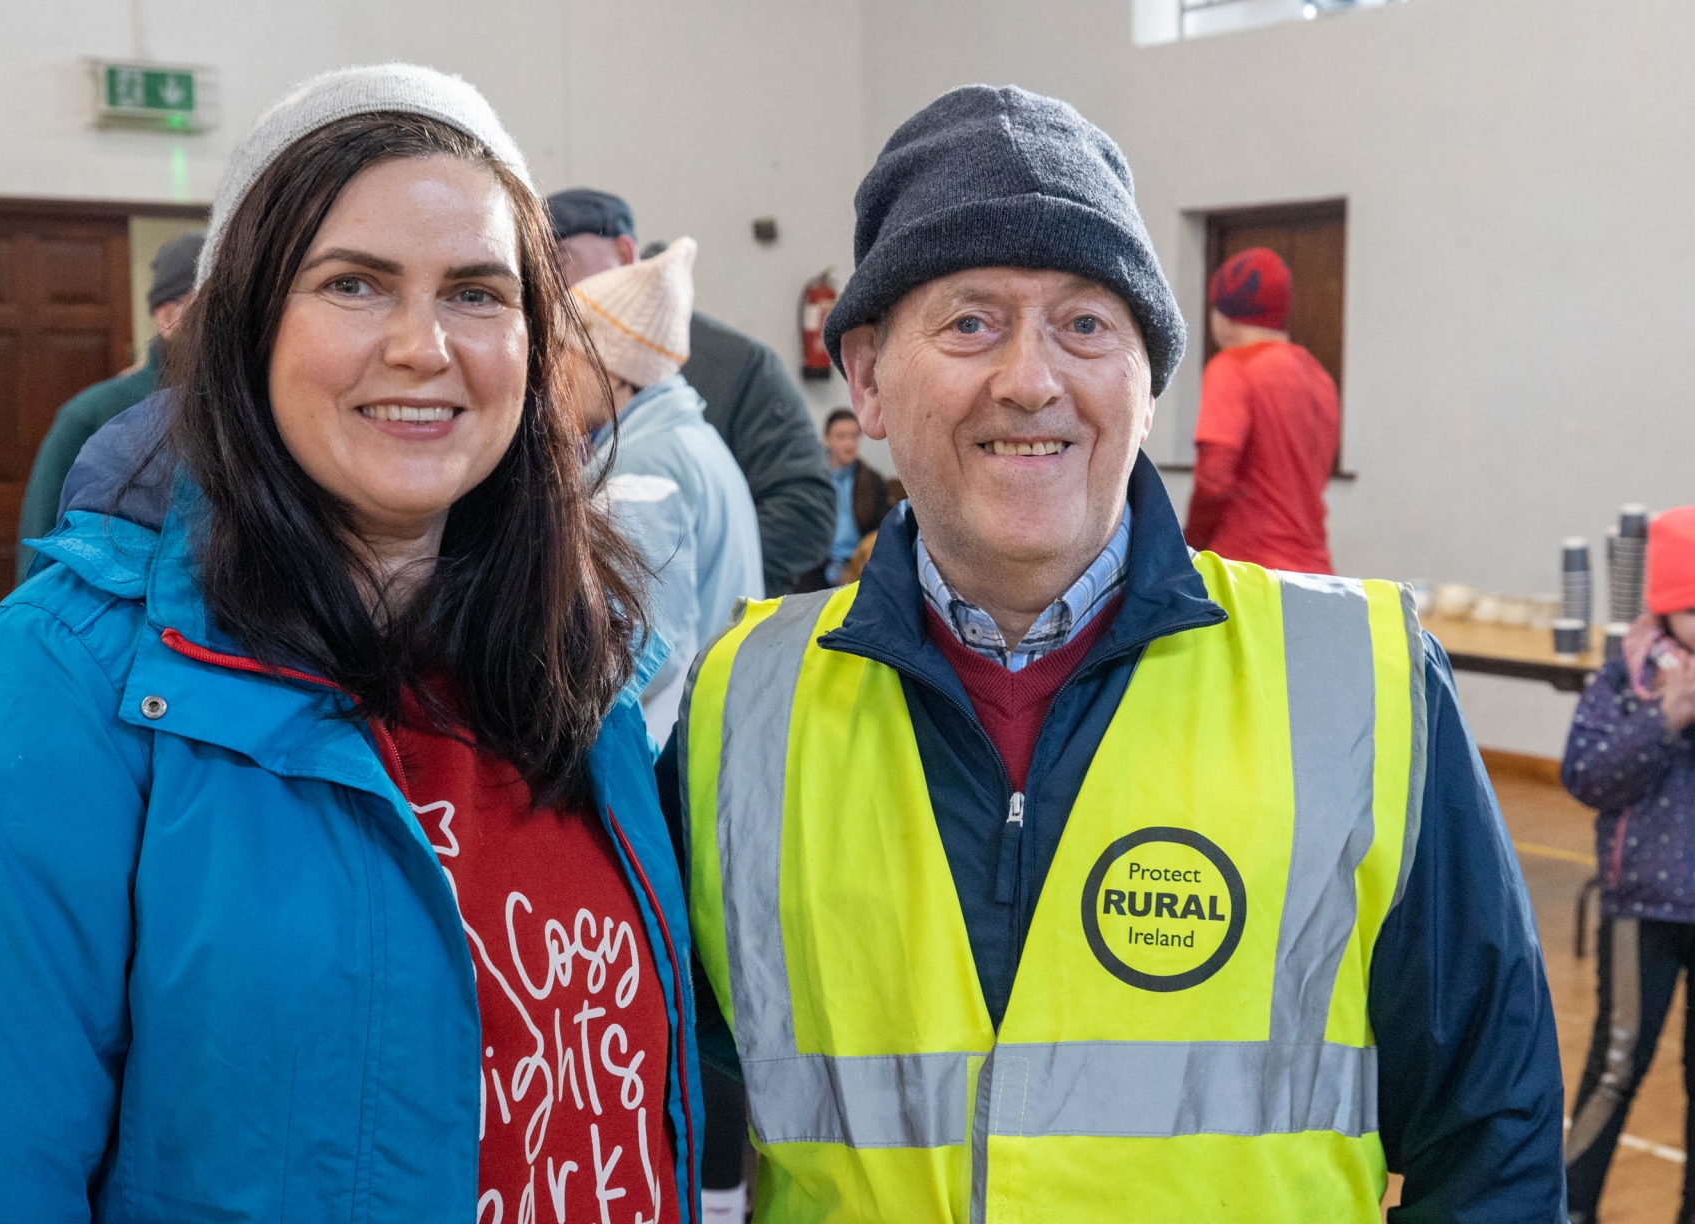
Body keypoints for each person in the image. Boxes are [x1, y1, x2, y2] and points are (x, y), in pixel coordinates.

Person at [663, 85, 1562, 1221]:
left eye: (1086, 324)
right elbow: (649, 1094)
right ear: (868, 379)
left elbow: (1494, 1133)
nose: (1031, 379)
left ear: (1149, 384)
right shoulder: (742, 707)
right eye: (970, 322)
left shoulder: (1365, 686)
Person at [0, 65, 701, 1221]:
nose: (423, 344)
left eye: (478, 292)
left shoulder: (578, 664)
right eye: (354, 284)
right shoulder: (45, 696)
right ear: (244, 326)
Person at [548, 187, 834, 596]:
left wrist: (712, 589)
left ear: (625, 254)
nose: (545, 282)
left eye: (559, 260)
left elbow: (804, 508)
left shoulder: (735, 365)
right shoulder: (545, 366)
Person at [570, 236, 763, 742]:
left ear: (612, 367)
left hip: (669, 750)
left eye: (565, 353)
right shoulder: (688, 440)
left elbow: (638, 654)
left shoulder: (643, 468)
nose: (550, 373)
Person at [1562, 505, 1695, 1224]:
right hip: (1642, 907)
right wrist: (1662, 719)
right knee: (1616, 1068)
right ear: (1667, 608)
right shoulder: (1627, 680)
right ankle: (1568, 1207)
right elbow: (1587, 776)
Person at [14, 231, 202, 578]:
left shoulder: (253, 413)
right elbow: (38, 559)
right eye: (211, 304)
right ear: (167, 317)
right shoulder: (92, 415)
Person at [1183, 246, 1341, 573]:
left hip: (1246, 571)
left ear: (1224, 315)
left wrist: (1189, 546)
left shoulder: (1231, 367)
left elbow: (1213, 478)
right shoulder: (1320, 378)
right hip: (1314, 571)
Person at [809, 407, 890, 587]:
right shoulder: (812, 479)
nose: (849, 443)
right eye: (841, 436)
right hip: (818, 566)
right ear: (827, 439)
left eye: (854, 436)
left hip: (859, 565)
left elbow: (882, 528)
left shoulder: (871, 479)